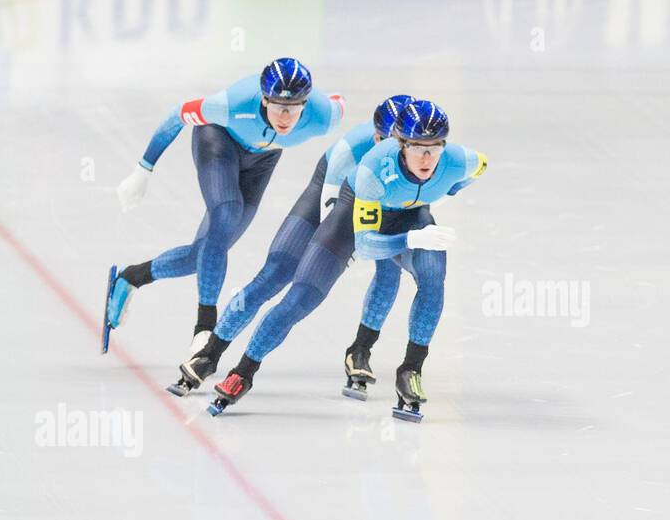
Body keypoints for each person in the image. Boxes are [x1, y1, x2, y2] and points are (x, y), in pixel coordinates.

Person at [188, 100, 487, 421]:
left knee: (433, 275)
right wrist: (412, 239)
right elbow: (367, 246)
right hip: (349, 214)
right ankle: (236, 367)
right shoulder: (372, 168)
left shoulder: (458, 160)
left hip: (410, 216)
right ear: (399, 144)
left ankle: (410, 368)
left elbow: (480, 165)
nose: (427, 157)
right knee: (298, 294)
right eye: (418, 147)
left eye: (434, 147)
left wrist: (446, 190)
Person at [167, 93, 413, 396]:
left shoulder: (415, 159)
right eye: (377, 138)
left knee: (389, 271)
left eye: (387, 143)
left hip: (385, 205)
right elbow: (329, 209)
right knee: (276, 273)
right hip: (330, 200)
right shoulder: (351, 150)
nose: (379, 147)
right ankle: (211, 353)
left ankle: (360, 349)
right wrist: (347, 249)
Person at [102, 57, 344, 355]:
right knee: (226, 213)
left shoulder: (323, 116)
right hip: (218, 141)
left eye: (294, 107)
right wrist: (143, 170)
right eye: (279, 106)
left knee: (202, 255)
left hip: (262, 161)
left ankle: (131, 277)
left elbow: (341, 106)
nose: (285, 116)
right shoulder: (234, 103)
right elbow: (178, 114)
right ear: (264, 99)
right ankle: (205, 326)